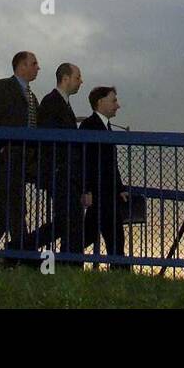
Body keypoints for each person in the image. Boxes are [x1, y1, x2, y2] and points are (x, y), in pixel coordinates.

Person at [0, 51, 42, 263]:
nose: (37, 68)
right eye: (34, 64)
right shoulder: (1, 87)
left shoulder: (32, 97)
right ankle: (24, 257)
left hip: (23, 160)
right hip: (6, 158)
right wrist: (2, 147)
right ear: (21, 66)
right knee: (14, 208)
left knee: (3, 214)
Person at [33, 63, 93, 254]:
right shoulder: (52, 102)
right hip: (60, 172)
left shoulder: (61, 103)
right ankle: (70, 261)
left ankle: (20, 248)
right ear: (65, 78)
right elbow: (51, 140)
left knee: (66, 220)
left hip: (63, 172)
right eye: (77, 77)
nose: (81, 81)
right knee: (70, 219)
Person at [80, 86, 129, 270]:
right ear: (100, 102)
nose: (117, 105)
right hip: (99, 193)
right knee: (103, 236)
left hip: (106, 194)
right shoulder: (89, 126)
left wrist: (119, 188)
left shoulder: (103, 126)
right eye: (113, 100)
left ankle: (64, 261)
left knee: (109, 236)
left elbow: (110, 164)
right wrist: (87, 190)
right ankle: (64, 260)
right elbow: (86, 161)